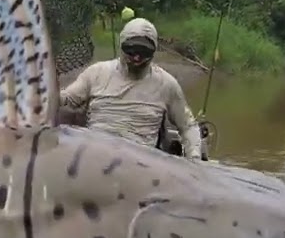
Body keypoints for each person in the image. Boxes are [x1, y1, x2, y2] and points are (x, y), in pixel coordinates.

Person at [60, 17, 204, 160]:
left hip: (140, 161)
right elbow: (66, 99)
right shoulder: (97, 73)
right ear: (122, 45)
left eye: (143, 52)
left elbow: (188, 126)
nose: (136, 58)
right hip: (95, 154)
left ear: (153, 51)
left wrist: (194, 159)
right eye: (131, 51)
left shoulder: (166, 84)